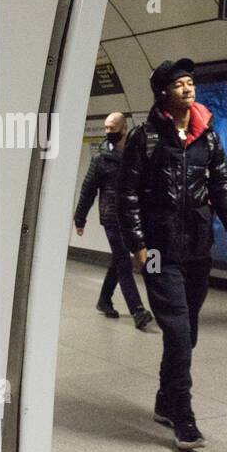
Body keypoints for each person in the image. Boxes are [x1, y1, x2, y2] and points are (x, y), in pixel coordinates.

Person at [117, 58, 227, 451]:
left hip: (196, 248)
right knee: (176, 330)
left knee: (186, 333)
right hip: (158, 250)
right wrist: (138, 244)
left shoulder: (206, 135)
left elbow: (222, 180)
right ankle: (184, 417)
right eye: (180, 84)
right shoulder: (146, 138)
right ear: (163, 93)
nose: (189, 89)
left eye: (191, 83)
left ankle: (164, 399)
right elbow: (128, 195)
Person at [74, 112, 154, 331]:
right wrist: (80, 218)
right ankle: (138, 310)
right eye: (106, 128)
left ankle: (104, 300)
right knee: (124, 262)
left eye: (113, 128)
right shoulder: (100, 158)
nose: (109, 132)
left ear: (124, 128)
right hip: (111, 217)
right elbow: (88, 190)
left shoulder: (136, 153)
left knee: (119, 261)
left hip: (132, 215)